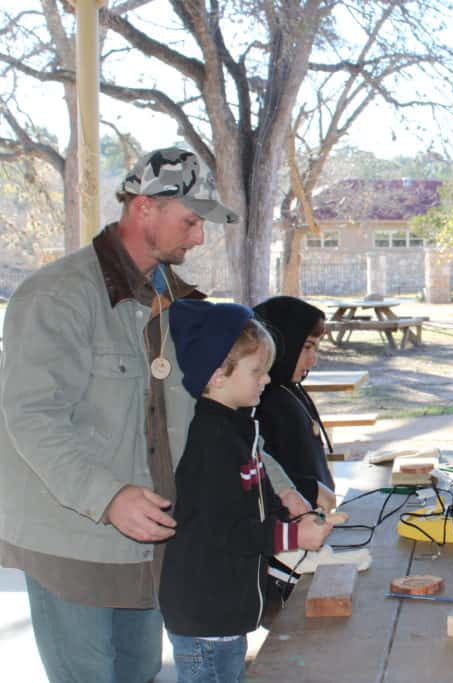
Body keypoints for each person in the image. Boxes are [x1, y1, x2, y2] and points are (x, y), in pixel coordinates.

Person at [0, 147, 305, 682]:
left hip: (148, 547)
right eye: (190, 221)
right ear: (144, 206)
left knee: (140, 673)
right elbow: (31, 417)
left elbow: (212, 416)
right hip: (72, 542)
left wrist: (278, 484)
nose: (198, 237)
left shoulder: (175, 304)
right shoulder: (57, 297)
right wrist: (109, 496)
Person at [160, 300, 331, 682]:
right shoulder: (212, 443)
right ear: (217, 375)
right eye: (257, 371)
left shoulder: (238, 428)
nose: (267, 380)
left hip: (224, 611)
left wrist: (289, 510)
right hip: (205, 615)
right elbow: (224, 532)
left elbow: (254, 502)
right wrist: (292, 535)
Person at [254, 296, 337, 513]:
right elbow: (259, 470)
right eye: (307, 347)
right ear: (283, 342)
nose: (313, 359)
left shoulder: (290, 390)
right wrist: (310, 489)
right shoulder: (258, 402)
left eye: (315, 347)